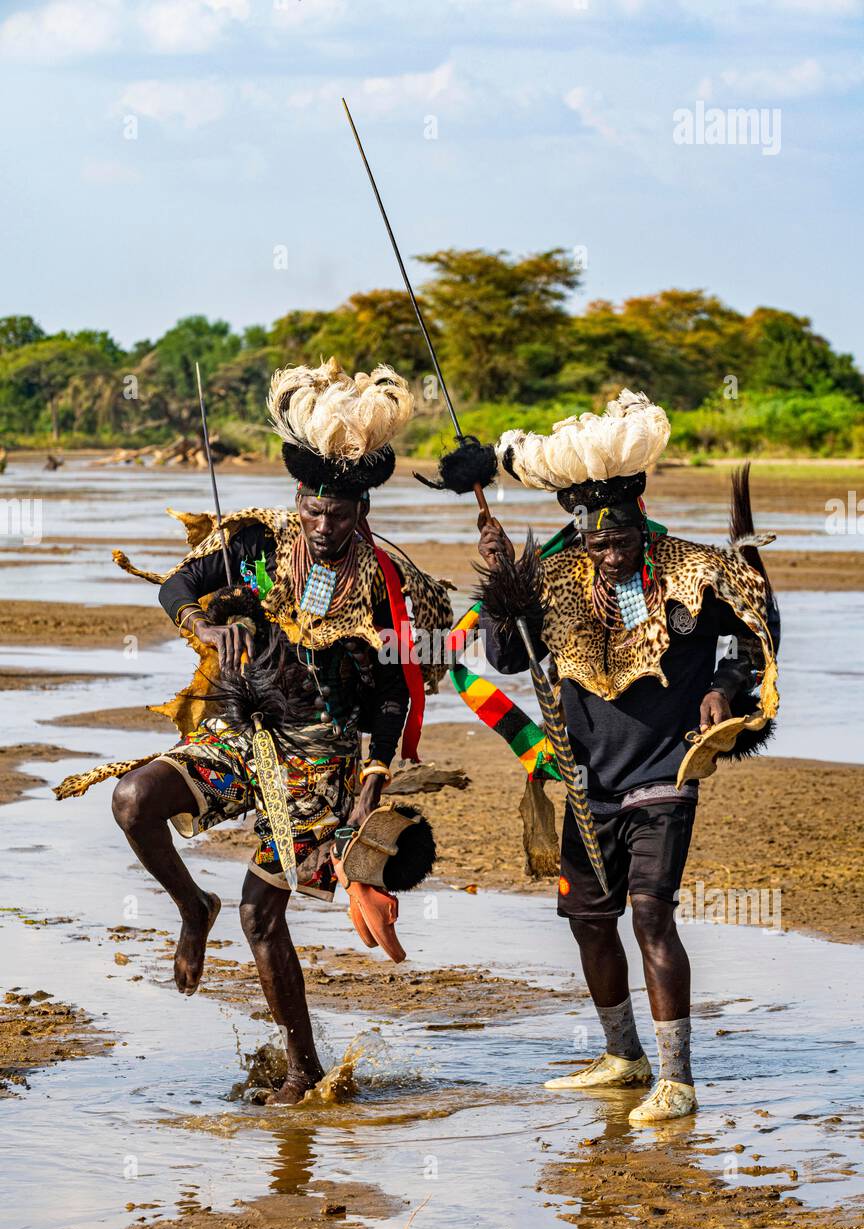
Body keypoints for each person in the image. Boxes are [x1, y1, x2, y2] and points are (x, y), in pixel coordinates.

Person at [55, 358, 452, 1103]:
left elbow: (394, 699)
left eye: (341, 514)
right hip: (246, 735)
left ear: (362, 511)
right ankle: (188, 908)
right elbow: (178, 584)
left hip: (326, 763)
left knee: (260, 915)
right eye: (314, 510)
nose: (325, 526)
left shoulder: (394, 585)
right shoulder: (256, 543)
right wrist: (208, 624)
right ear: (297, 499)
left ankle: (303, 1071)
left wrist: (368, 790)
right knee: (134, 800)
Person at [471, 390, 779, 1123]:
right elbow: (506, 655)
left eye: (624, 540)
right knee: (588, 919)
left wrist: (725, 687)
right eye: (599, 545)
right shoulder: (554, 579)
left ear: (643, 523)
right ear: (579, 537)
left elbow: (754, 626)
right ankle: (622, 1058)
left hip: (664, 771)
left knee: (650, 915)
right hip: (587, 779)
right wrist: (500, 580)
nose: (613, 555)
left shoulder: (693, 569)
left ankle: (677, 1080)